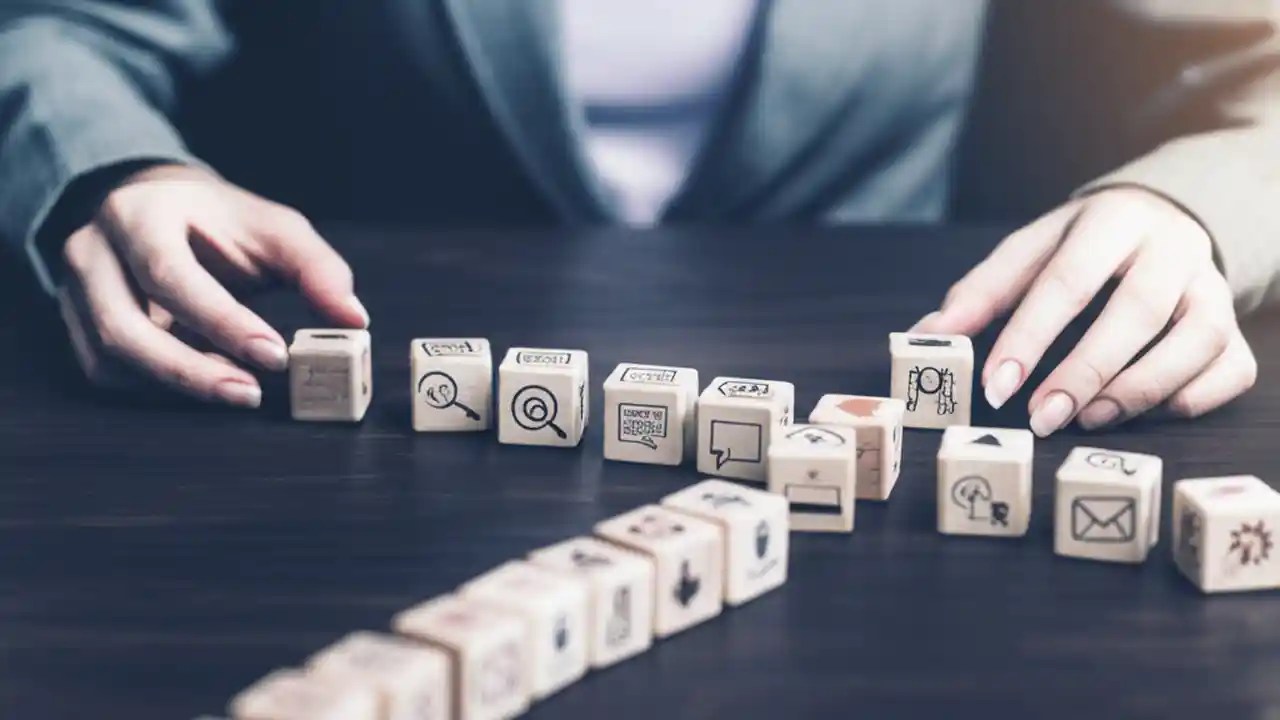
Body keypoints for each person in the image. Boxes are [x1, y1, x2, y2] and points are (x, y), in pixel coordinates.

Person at [0, 1, 1276, 437]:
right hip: (380, 416)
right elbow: (65, 27)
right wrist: (105, 172)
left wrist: (1196, 209)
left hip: (876, 411)